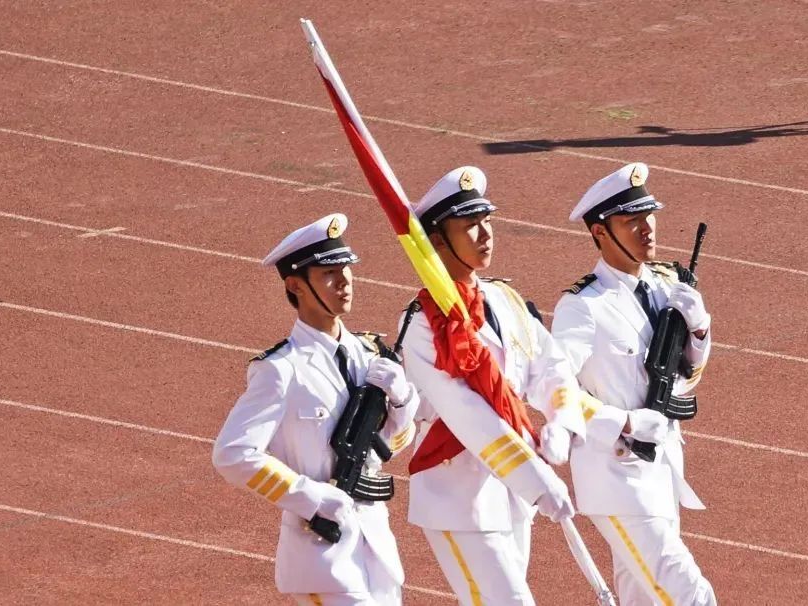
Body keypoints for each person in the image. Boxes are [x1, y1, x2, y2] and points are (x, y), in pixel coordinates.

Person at [399, 165, 598, 606]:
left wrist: (562, 424)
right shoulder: (421, 323)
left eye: (486, 220)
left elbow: (553, 367)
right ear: (436, 240)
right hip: (459, 495)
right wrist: (536, 477)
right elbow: (468, 415)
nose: (484, 232)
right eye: (469, 225)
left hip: (510, 497)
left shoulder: (505, 301)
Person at [212, 213, 419, 606]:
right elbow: (232, 454)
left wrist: (402, 401)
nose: (343, 281)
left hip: (377, 549)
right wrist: (310, 496)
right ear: (295, 286)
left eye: (346, 269)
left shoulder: (369, 354)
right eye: (328, 274)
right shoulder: (280, 370)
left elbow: (390, 447)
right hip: (322, 553)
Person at [550, 163, 717, 606]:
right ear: (601, 232)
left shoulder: (667, 287)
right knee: (688, 592)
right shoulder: (582, 306)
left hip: (662, 468)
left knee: (641, 596)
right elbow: (553, 388)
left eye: (649, 216)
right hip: (617, 474)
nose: (646, 229)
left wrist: (699, 333)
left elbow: (685, 379)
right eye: (631, 221)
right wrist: (621, 421)